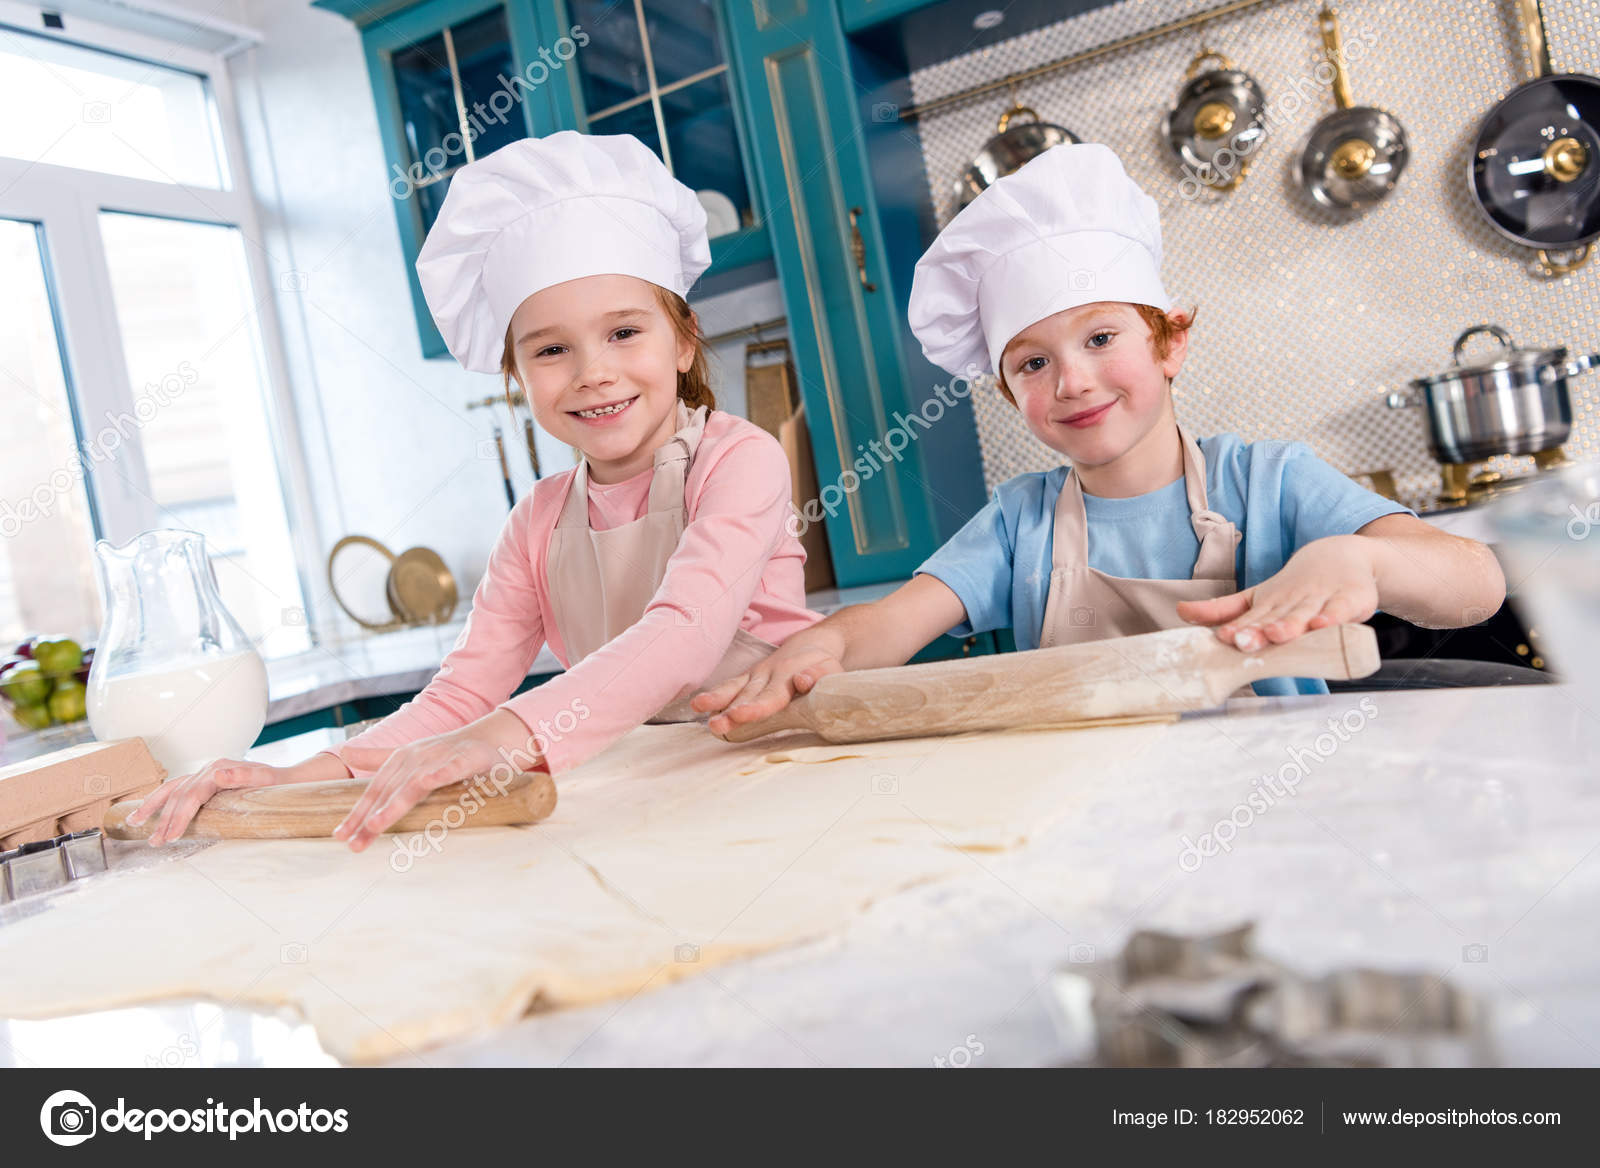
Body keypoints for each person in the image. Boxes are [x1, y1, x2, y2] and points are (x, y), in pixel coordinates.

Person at [131, 132, 819, 849]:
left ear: (682, 342)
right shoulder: (538, 522)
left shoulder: (740, 460)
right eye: (551, 349)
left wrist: (504, 735)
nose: (593, 371)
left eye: (623, 332)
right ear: (516, 375)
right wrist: (309, 771)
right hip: (643, 789)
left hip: (772, 769)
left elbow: (685, 633)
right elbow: (461, 695)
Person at [694, 142, 1504, 735]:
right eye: (1033, 362)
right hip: (1082, 820)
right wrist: (825, 644)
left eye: (1101, 337)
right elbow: (891, 625)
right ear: (1011, 394)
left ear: (1170, 340)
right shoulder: (1019, 525)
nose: (1073, 380)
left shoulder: (1271, 483)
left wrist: (1361, 558)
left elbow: (1475, 584)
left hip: (1274, 808)